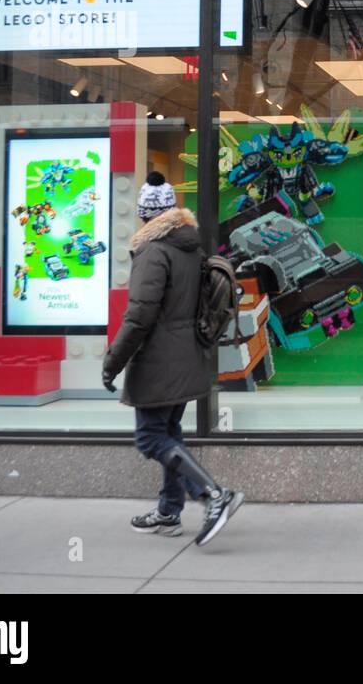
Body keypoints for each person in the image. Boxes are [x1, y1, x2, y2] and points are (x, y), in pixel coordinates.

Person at [102, 172, 243, 545]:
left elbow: (139, 316)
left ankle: (214, 494)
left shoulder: (153, 252)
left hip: (160, 364)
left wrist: (112, 361)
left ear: (146, 216)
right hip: (188, 359)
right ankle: (168, 511)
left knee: (150, 438)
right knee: (169, 434)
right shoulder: (189, 247)